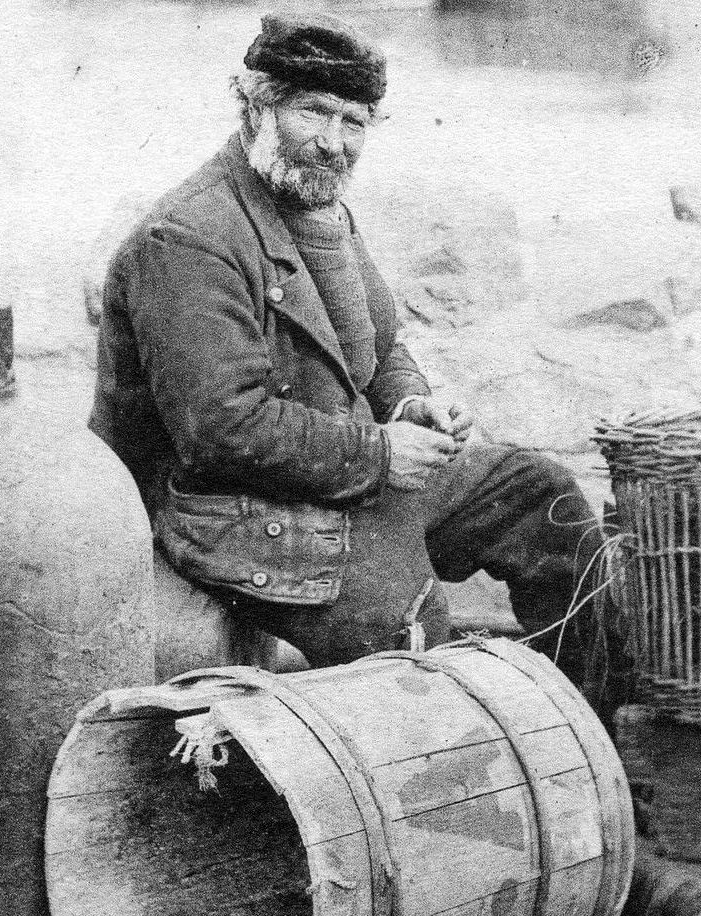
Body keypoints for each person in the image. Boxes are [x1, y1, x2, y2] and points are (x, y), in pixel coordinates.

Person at [89, 12, 604, 682]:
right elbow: (222, 430)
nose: (334, 143)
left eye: (354, 120)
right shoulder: (189, 238)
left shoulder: (314, 203)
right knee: (413, 630)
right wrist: (382, 451)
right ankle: (446, 774)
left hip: (333, 479)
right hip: (223, 509)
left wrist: (412, 401)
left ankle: (582, 740)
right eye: (313, 111)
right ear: (255, 107)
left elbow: (379, 347)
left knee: (543, 498)